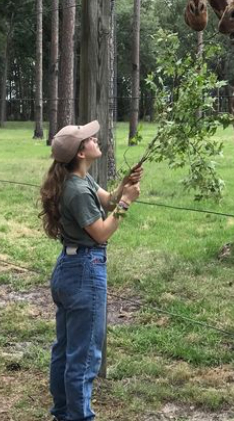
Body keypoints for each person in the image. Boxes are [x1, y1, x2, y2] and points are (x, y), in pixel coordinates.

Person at [39, 121, 143, 421]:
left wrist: (123, 185)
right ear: (81, 153)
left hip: (69, 268)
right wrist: (126, 203)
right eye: (88, 138)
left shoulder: (79, 179)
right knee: (84, 357)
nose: (95, 138)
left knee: (65, 349)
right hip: (85, 271)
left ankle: (62, 413)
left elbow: (107, 200)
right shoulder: (76, 190)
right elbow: (101, 233)